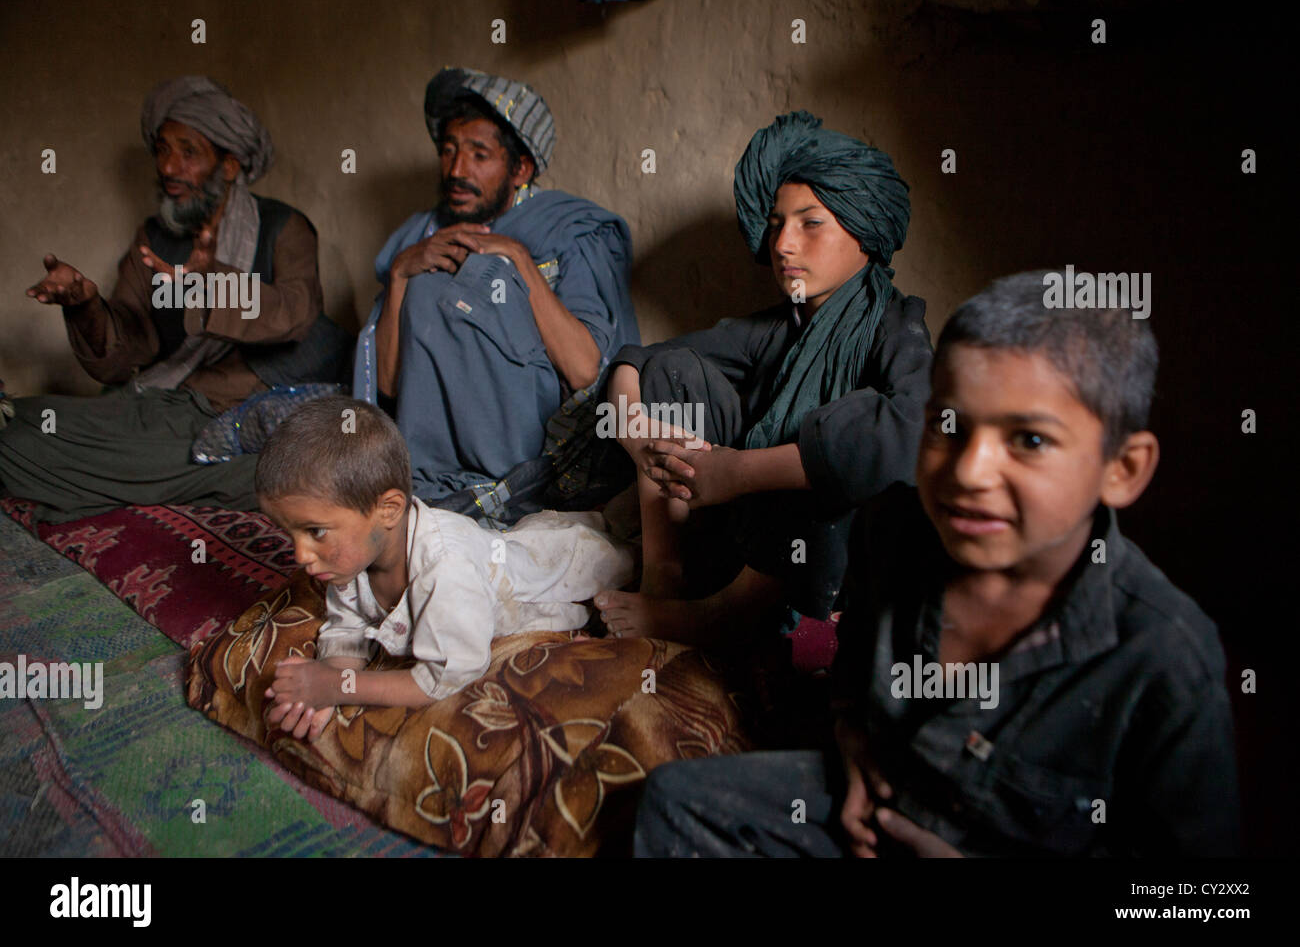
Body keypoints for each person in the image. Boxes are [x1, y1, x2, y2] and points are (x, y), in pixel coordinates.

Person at [633, 271, 1241, 857]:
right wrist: (853, 745)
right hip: (883, 812)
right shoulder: (890, 531)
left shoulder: (1164, 656)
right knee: (675, 802)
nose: (968, 473)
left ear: (1123, 468)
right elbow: (852, 682)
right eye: (946, 427)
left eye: (1029, 440)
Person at [594, 110, 932, 642]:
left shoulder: (895, 326)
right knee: (673, 373)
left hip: (830, 561)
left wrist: (742, 470)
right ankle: (667, 576)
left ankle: (723, 615)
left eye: (809, 223)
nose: (783, 245)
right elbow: (640, 358)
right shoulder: (775, 328)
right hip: (741, 532)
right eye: (776, 225)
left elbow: (912, 430)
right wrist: (633, 430)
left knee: (837, 433)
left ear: (864, 231)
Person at [0, 75, 346, 522]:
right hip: (165, 398)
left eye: (188, 152)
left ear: (229, 165)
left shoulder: (285, 227)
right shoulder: (155, 236)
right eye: (163, 149)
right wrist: (83, 305)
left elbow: (294, 316)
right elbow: (124, 354)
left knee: (19, 448)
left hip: (231, 411)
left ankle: (243, 474)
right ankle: (229, 476)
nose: (168, 167)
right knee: (27, 415)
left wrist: (212, 283)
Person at [255, 397, 634, 741]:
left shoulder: (445, 569)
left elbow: (445, 680)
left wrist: (341, 686)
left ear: (388, 510)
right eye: (289, 534)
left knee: (629, 552)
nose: (301, 554)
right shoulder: (345, 560)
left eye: (315, 532)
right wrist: (322, 688)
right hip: (507, 547)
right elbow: (348, 628)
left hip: (568, 566)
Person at [353, 67, 639, 506]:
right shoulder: (422, 236)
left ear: (520, 168)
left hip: (534, 444)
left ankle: (498, 484)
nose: (457, 170)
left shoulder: (570, 232)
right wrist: (399, 274)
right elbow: (389, 386)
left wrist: (519, 260)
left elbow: (585, 370)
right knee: (429, 288)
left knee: (480, 280)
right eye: (448, 152)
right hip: (429, 454)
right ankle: (446, 482)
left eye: (479, 155)